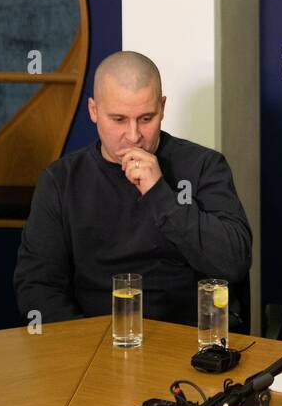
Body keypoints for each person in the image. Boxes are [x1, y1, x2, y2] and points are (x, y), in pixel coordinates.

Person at [14, 51, 252, 327]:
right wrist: (86, 346)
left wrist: (159, 193)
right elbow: (37, 286)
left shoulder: (203, 166)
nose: (133, 135)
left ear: (162, 107)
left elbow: (234, 262)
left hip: (185, 342)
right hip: (93, 341)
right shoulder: (60, 181)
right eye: (118, 119)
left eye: (146, 118)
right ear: (94, 111)